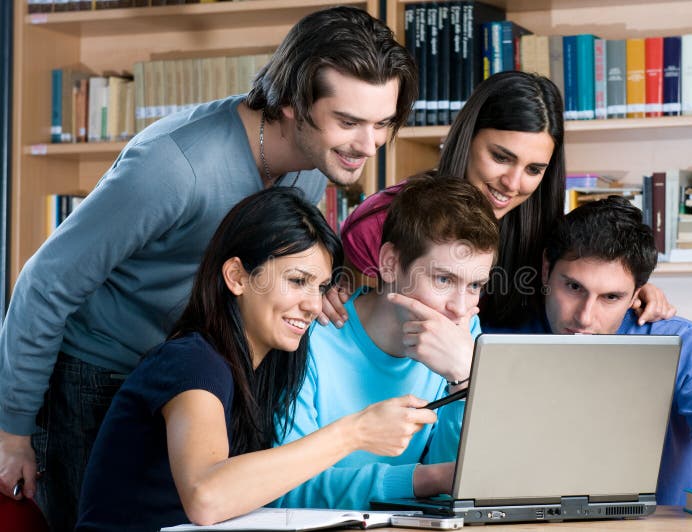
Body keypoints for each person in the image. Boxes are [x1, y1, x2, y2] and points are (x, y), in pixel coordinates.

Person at [0, 6, 416, 531]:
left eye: (383, 123)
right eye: (349, 121)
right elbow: (45, 284)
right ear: (290, 103)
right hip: (97, 376)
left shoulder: (313, 166)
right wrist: (12, 431)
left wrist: (325, 284)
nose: (368, 145)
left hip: (199, 375)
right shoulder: (172, 168)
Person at [75, 188, 436, 532]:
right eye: (297, 281)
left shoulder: (269, 367)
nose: (313, 305)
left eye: (322, 286)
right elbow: (206, 496)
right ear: (236, 277)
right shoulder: (192, 362)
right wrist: (354, 433)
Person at [323, 71, 674, 332]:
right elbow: (361, 330)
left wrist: (631, 290)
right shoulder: (381, 224)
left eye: (534, 169)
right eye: (501, 157)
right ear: (467, 139)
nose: (513, 184)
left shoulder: (538, 231)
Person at [528, 196, 692, 506]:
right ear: (546, 268)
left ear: (636, 293)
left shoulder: (688, 347)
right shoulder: (496, 336)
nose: (585, 317)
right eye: (574, 287)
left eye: (610, 297)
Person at [272, 175, 499, 509]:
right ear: (390, 263)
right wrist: (422, 480)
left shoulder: (464, 338)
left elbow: (455, 495)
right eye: (443, 279)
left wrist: (464, 383)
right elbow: (284, 490)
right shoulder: (311, 336)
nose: (460, 307)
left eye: (475, 285)